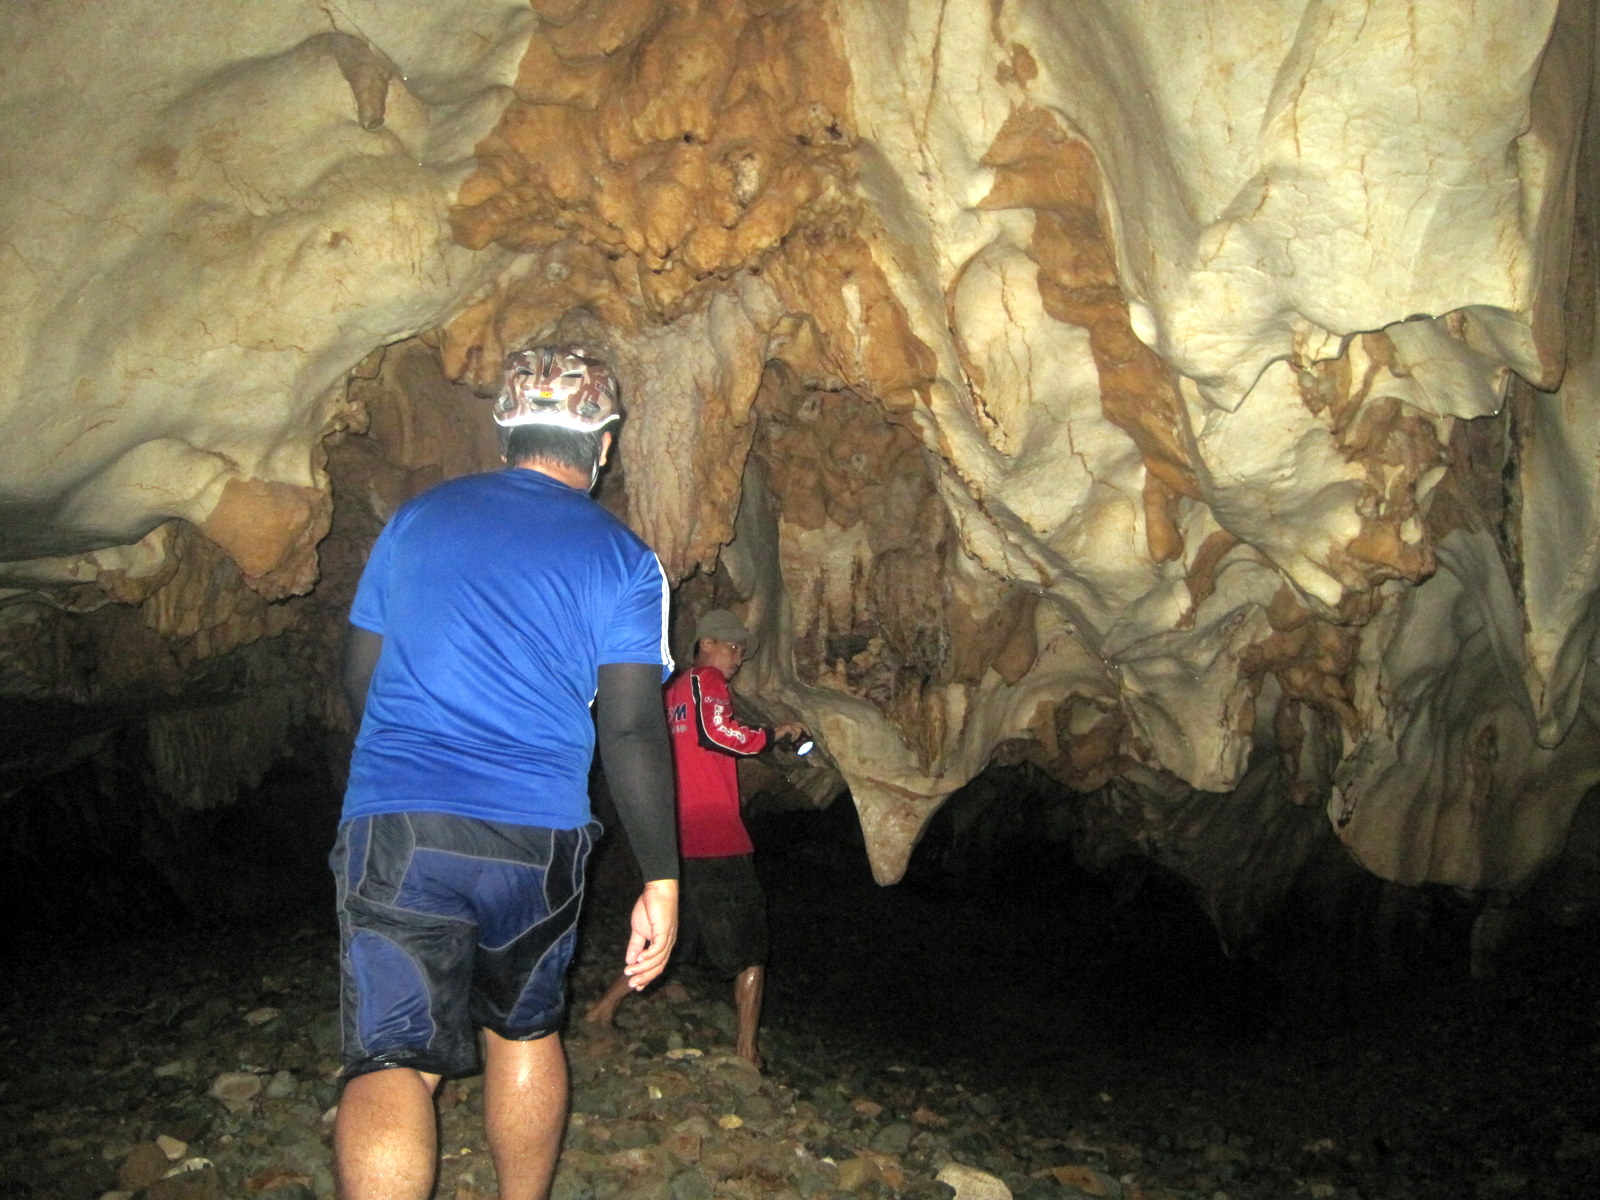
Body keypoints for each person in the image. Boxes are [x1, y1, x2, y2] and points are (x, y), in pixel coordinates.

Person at [329, 344, 680, 1200]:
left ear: (507, 433)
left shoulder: (417, 520)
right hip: (537, 832)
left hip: (403, 820)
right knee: (524, 1035)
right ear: (604, 443)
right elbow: (632, 727)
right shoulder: (626, 560)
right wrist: (662, 879)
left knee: (393, 1055)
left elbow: (358, 675)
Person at [585, 608, 803, 1069]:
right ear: (706, 643)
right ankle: (747, 1050)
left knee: (669, 933)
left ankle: (603, 1007)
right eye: (732, 645)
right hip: (717, 834)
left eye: (743, 649)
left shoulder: (671, 692)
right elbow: (716, 732)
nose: (739, 656)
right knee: (750, 947)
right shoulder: (705, 679)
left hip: (677, 834)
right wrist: (771, 735)